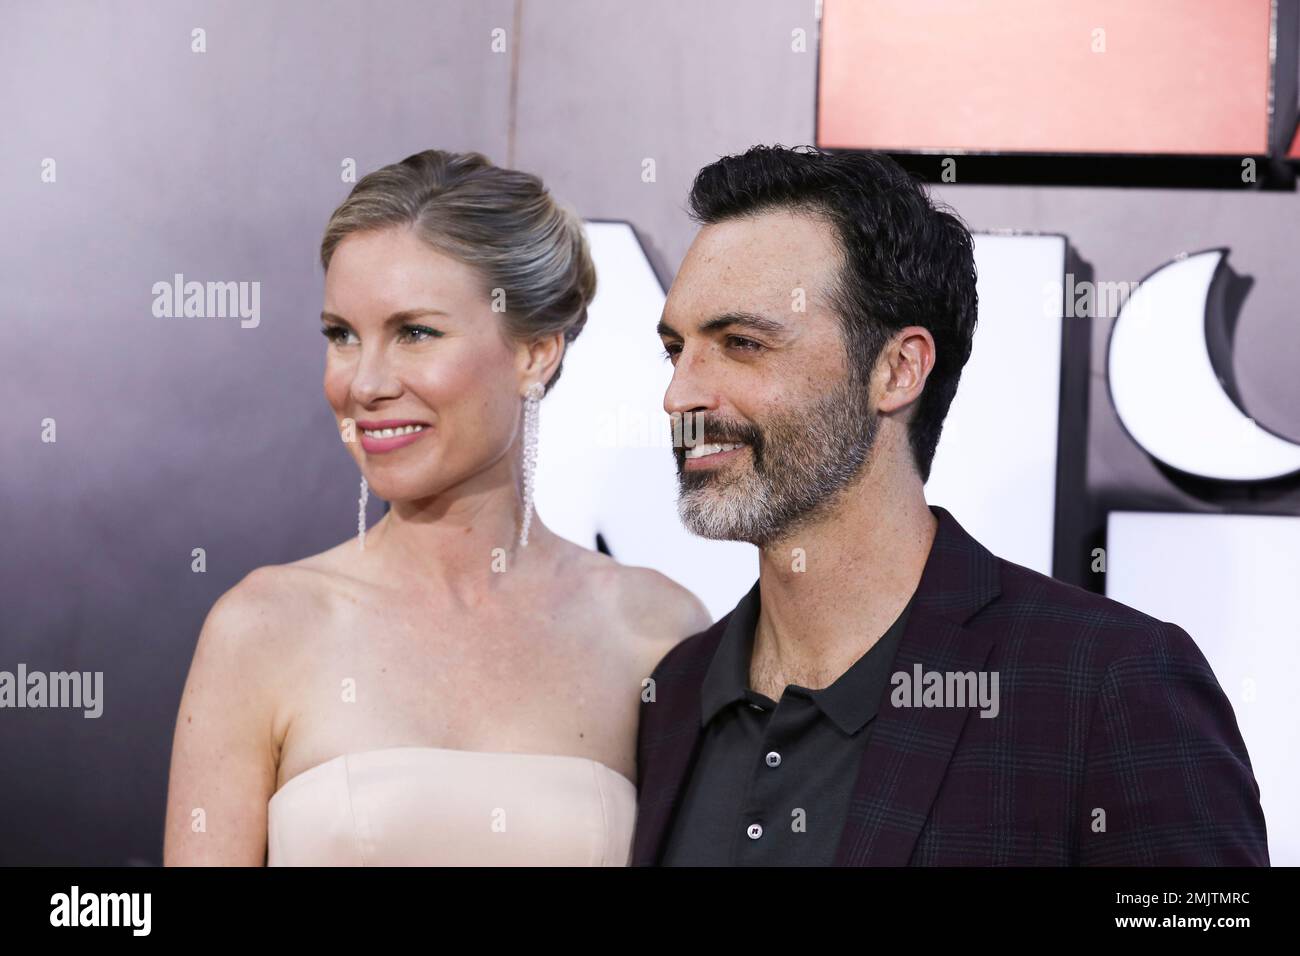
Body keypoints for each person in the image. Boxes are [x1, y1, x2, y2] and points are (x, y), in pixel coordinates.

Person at [633, 144, 1269, 866]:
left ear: (898, 370)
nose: (679, 396)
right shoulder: (673, 695)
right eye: (675, 349)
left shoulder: (1107, 686)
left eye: (742, 343)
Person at [163, 149, 710, 866]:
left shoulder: (655, 632)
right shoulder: (263, 627)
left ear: (535, 352)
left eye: (415, 332)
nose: (364, 383)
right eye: (342, 335)